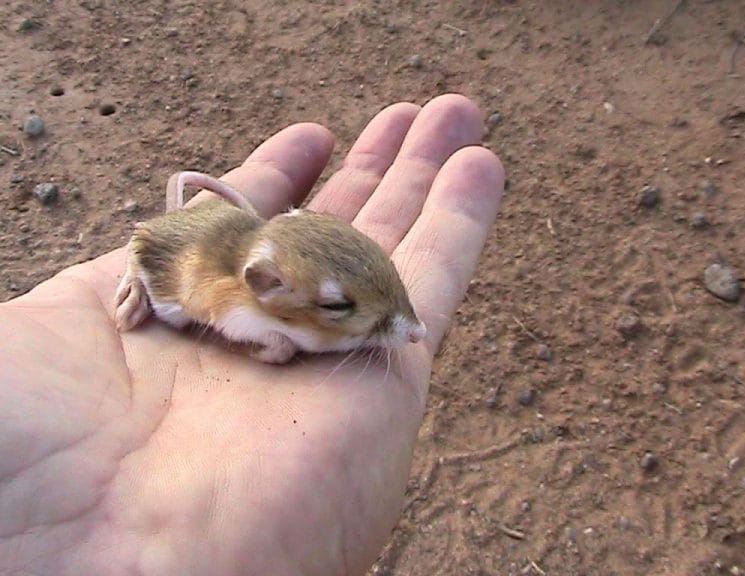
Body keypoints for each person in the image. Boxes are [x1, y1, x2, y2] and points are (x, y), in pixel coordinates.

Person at [0, 94, 504, 575]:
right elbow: (224, 315)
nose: (411, 333)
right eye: (338, 306)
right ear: (267, 287)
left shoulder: (281, 269)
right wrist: (274, 344)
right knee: (172, 305)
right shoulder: (241, 300)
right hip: (185, 256)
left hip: (241, 233)